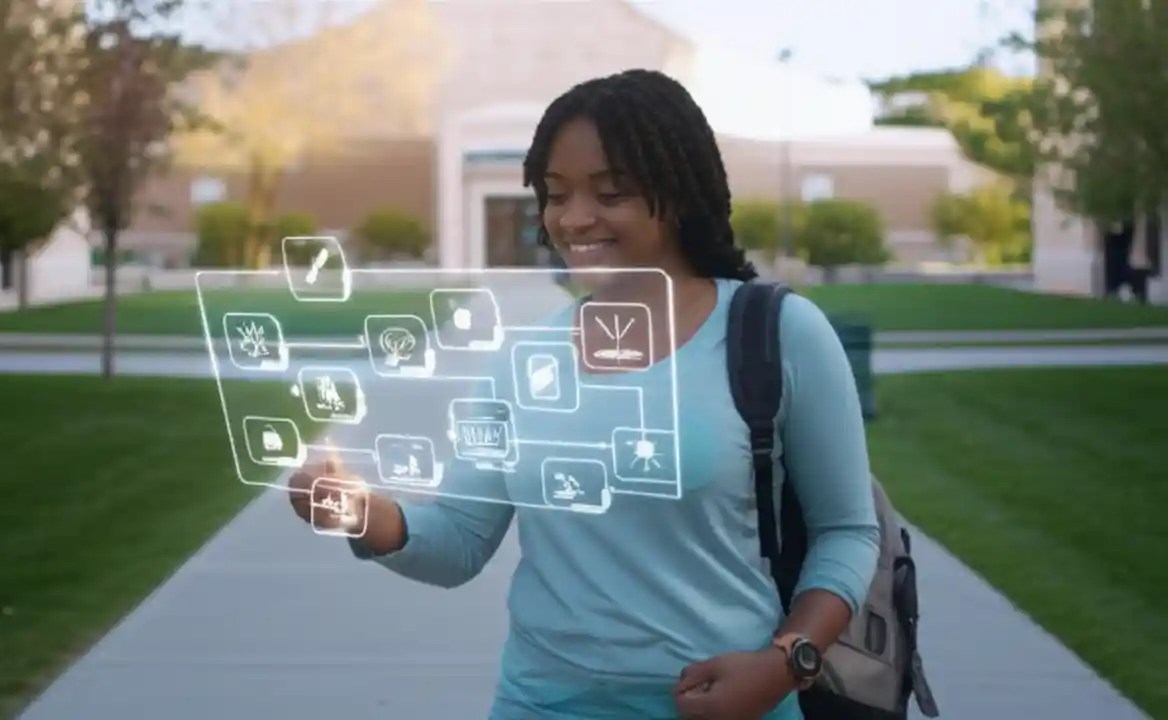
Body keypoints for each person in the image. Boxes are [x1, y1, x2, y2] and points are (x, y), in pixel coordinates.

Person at [289, 69, 880, 720]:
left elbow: (846, 531)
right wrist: (359, 512)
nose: (574, 220)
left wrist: (782, 665)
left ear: (678, 191)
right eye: (555, 195)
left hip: (734, 706)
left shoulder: (778, 332)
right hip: (542, 704)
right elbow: (459, 539)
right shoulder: (524, 357)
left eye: (610, 193)